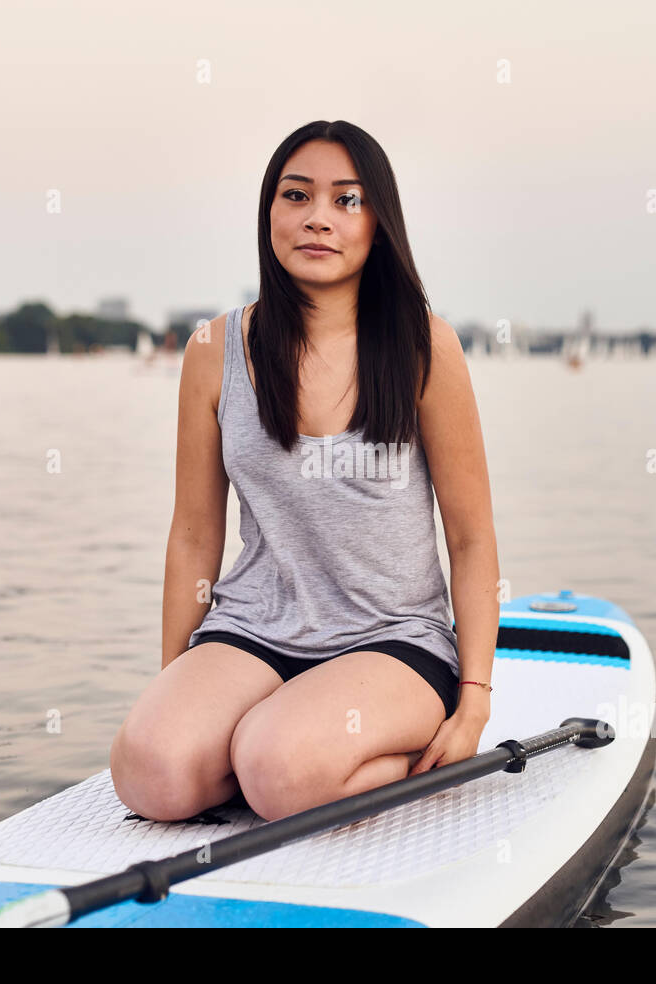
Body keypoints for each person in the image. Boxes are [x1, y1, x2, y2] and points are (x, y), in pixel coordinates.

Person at [110, 120, 500, 823]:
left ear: (378, 222)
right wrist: (179, 685)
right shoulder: (214, 349)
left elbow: (470, 539)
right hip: (254, 629)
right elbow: (194, 533)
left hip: (391, 641)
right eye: (296, 196)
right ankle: (268, 749)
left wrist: (473, 704)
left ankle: (329, 756)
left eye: (347, 200)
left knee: (278, 770)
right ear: (269, 214)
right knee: (152, 773)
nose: (318, 218)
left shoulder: (424, 346)